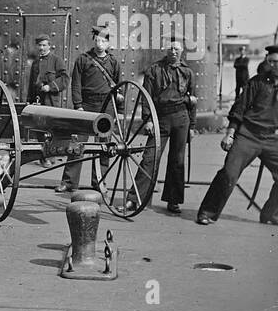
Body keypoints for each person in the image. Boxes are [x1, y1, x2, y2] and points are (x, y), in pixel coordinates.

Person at [197, 44, 278, 227]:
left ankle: (272, 214)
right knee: (229, 174)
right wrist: (230, 134)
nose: (270, 65)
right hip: (247, 135)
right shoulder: (257, 82)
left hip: (270, 139)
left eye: (275, 61)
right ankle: (207, 212)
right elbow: (239, 108)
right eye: (269, 61)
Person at [129, 39, 197, 214]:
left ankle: (173, 201)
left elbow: (193, 101)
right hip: (161, 118)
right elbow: (146, 97)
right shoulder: (154, 70)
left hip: (181, 119)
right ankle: (136, 198)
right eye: (170, 48)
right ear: (165, 50)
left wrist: (192, 126)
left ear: (182, 51)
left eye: (177, 48)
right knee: (150, 158)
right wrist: (148, 120)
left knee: (177, 161)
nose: (173, 51)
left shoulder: (188, 72)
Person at [60, 25, 121, 193]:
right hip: (86, 105)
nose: (100, 44)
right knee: (77, 144)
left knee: (104, 145)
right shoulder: (83, 59)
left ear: (109, 44)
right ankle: (69, 182)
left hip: (106, 106)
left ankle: (99, 182)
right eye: (98, 40)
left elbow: (118, 88)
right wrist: (78, 106)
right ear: (94, 40)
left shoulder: (114, 62)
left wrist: (118, 112)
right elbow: (76, 84)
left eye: (104, 41)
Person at [27, 35, 69, 108]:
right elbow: (31, 84)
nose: (41, 48)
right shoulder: (35, 62)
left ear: (49, 46)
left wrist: (50, 87)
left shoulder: (56, 60)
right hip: (37, 102)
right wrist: (29, 100)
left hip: (51, 102)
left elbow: (65, 79)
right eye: (39, 45)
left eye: (44, 45)